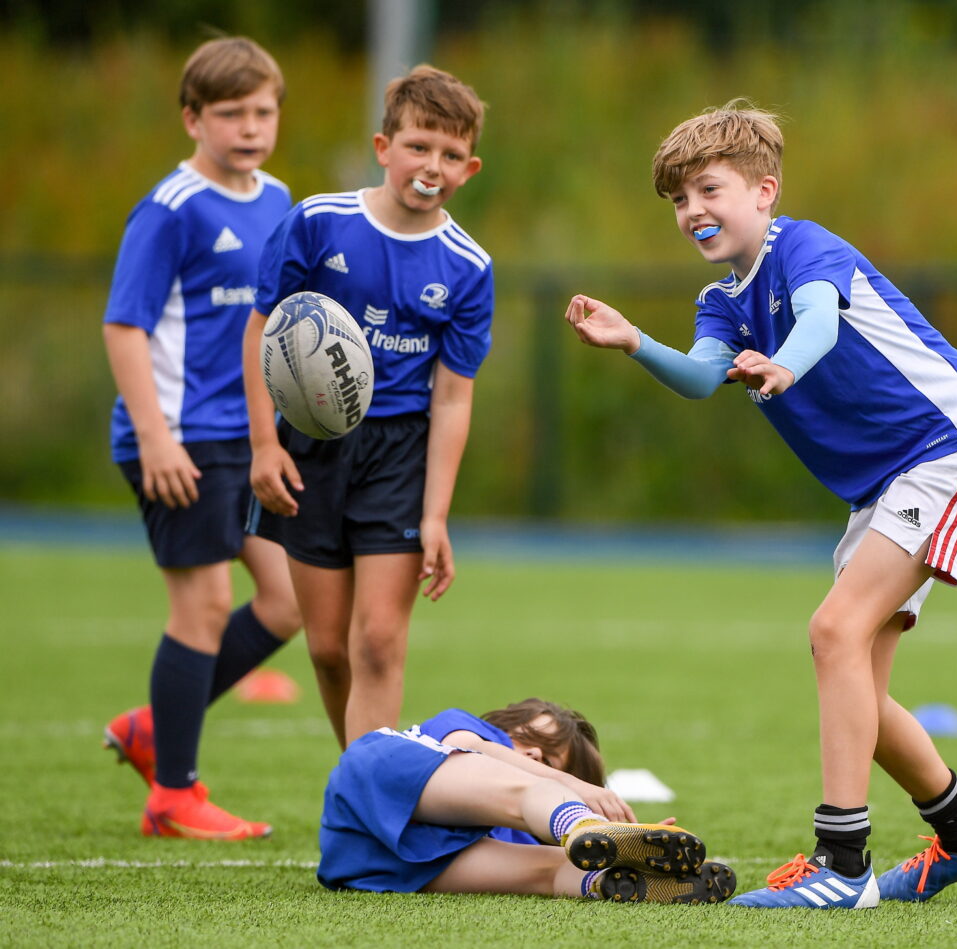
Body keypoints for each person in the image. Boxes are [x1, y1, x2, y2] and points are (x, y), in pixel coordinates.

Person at [564, 102, 957, 909]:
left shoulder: (805, 246)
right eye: (678, 199)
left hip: (947, 448)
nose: (693, 210)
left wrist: (785, 364)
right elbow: (705, 376)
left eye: (709, 188)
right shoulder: (721, 301)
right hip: (882, 486)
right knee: (860, 695)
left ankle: (842, 867)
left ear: (764, 190)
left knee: (832, 631)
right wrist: (634, 340)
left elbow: (816, 321)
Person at [242, 65, 492, 750]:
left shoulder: (468, 266)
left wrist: (436, 513)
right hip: (311, 447)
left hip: (400, 454)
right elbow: (262, 329)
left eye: (448, 154)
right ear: (384, 148)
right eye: (417, 146)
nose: (430, 165)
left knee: (377, 641)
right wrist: (265, 444)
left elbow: (453, 395)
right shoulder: (320, 224)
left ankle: (367, 813)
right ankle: (359, 776)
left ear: (468, 168)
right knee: (327, 647)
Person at [100, 36, 302, 840]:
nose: (250, 127)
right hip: (180, 439)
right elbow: (124, 327)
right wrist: (154, 438)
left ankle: (155, 725)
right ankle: (173, 794)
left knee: (288, 602)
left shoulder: (279, 196)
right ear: (193, 118)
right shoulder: (169, 209)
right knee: (206, 605)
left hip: (249, 437)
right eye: (231, 113)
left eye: (263, 110)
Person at [318, 697, 736, 903]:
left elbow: (548, 868)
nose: (536, 755)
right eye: (531, 739)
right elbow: (481, 753)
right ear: (503, 725)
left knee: (548, 870)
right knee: (530, 791)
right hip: (378, 779)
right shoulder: (464, 731)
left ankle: (630, 883)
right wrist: (581, 794)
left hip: (373, 867)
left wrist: (628, 851)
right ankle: (585, 825)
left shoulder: (530, 821)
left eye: (554, 759)